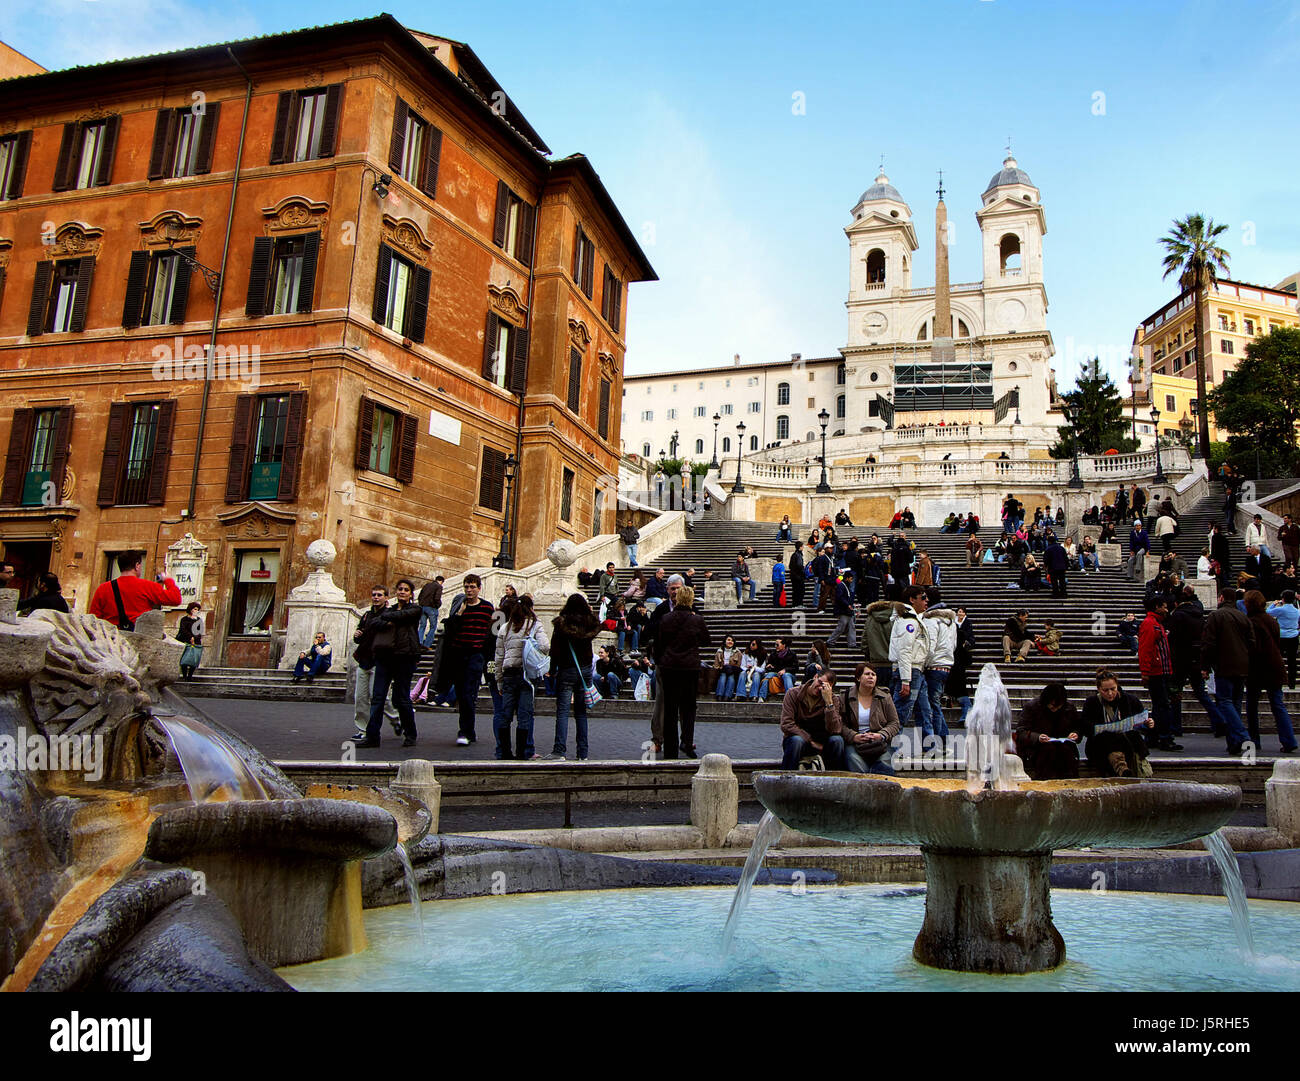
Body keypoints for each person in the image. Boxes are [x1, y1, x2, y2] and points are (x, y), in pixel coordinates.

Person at [358, 579, 422, 748]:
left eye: (405, 590)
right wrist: (389, 618)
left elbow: (400, 616)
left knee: (402, 698)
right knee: (377, 697)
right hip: (385, 657)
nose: (402, 592)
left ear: (410, 594)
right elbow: (374, 622)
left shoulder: (415, 609)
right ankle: (372, 736)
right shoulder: (391, 610)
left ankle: (410, 734)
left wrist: (388, 618)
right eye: (400, 589)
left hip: (404, 657)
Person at [654, 585, 710, 758]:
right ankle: (686, 742)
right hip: (689, 667)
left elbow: (659, 643)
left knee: (670, 708)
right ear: (691, 600)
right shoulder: (697, 620)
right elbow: (706, 641)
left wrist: (661, 661)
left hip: (670, 666)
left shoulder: (666, 618)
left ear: (677, 599)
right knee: (689, 707)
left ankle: (670, 750)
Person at [440, 574, 495, 746]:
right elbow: (450, 631)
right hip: (458, 654)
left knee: (468, 694)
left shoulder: (488, 608)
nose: (469, 590)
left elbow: (492, 633)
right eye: (466, 587)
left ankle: (464, 731)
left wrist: (489, 659)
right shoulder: (459, 606)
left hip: (476, 655)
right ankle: (469, 731)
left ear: (479, 588)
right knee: (462, 694)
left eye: (472, 587)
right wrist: (458, 615)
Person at [1201, 585, 1257, 754]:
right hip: (1242, 665)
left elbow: (1208, 643)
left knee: (1224, 701)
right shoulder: (1243, 617)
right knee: (1236, 703)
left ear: (1222, 598)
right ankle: (1234, 743)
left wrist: (1205, 665)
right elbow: (1252, 642)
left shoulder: (1216, 616)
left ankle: (1243, 736)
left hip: (1224, 665)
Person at [494, 594, 550, 760]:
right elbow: (545, 646)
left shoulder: (505, 627)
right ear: (530, 608)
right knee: (525, 715)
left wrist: (499, 681)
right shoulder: (534, 624)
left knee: (505, 714)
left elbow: (499, 657)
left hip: (509, 674)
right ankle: (521, 753)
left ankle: (504, 752)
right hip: (526, 675)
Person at [1243, 590, 1299, 753]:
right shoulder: (1271, 620)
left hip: (1257, 667)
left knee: (1252, 705)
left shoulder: (1251, 622)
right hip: (1275, 665)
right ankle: (1288, 739)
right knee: (1278, 704)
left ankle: (1254, 740)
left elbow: (1253, 647)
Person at [548, 593, 601, 761]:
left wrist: (552, 669)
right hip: (584, 669)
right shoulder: (589, 623)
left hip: (567, 668)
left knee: (563, 711)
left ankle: (559, 750)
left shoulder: (562, 623)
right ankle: (583, 753)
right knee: (581, 713)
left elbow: (554, 650)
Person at [1080, 668, 1154, 777]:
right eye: (1105, 690)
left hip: (1127, 742)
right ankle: (1121, 768)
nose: (1110, 693)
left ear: (1117, 686)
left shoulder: (1130, 700)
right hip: (1101, 745)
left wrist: (1149, 724)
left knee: (1119, 742)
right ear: (1098, 689)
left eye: (1113, 689)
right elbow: (1086, 727)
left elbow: (1142, 723)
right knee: (1109, 740)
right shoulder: (1092, 703)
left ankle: (1122, 768)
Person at [350, 585, 399, 741]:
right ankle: (363, 729)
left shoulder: (390, 614)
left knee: (379, 697)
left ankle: (396, 718)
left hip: (380, 661)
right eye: (374, 595)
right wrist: (357, 635)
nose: (376, 597)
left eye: (379, 595)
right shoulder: (367, 615)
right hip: (364, 659)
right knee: (360, 698)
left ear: (386, 597)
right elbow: (359, 636)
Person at [88, 552, 182, 629]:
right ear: (137, 566)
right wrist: (168, 580)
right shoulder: (148, 586)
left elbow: (93, 618)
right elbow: (175, 599)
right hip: (139, 636)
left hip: (112, 639)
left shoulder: (103, 588)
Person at [779, 668, 847, 770]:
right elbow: (787, 724)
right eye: (819, 682)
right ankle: (785, 779)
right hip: (798, 740)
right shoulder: (792, 693)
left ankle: (834, 778)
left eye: (824, 686)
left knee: (837, 740)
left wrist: (829, 704)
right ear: (815, 677)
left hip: (822, 743)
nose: (820, 688)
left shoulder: (833, 700)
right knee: (797, 741)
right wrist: (810, 741)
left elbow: (835, 729)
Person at [1138, 598, 1182, 750]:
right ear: (1156, 607)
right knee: (1163, 705)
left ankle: (1153, 736)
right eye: (1164, 606)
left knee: (1159, 706)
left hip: (1161, 670)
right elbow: (1145, 648)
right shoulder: (1150, 623)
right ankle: (1164, 737)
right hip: (1156, 671)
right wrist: (1145, 671)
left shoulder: (1157, 623)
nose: (1166, 609)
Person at [889, 585, 933, 735]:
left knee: (925, 711)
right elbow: (905, 650)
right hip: (910, 670)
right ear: (912, 600)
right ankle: (891, 748)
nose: (927, 601)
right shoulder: (908, 621)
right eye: (923, 598)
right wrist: (905, 679)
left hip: (917, 670)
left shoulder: (914, 619)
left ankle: (930, 746)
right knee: (901, 712)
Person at [1014, 683, 1081, 780]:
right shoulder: (1032, 707)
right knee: (1048, 750)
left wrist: (1075, 734)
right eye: (1053, 706)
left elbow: (1077, 727)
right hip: (1039, 748)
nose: (1056, 709)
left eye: (1059, 706)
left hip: (1063, 745)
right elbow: (1021, 732)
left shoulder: (1069, 708)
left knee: (1066, 753)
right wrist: (1037, 737)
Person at [841, 664, 900, 775]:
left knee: (885, 764)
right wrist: (853, 736)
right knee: (855, 763)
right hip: (855, 742)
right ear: (858, 678)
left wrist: (881, 735)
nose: (871, 677)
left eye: (873, 674)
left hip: (879, 742)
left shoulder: (884, 697)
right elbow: (841, 724)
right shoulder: (846, 696)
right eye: (867, 674)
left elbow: (894, 723)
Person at [919, 589, 955, 748]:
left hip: (933, 665)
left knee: (932, 704)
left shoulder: (931, 621)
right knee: (935, 703)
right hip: (946, 665)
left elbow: (929, 644)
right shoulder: (950, 621)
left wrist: (923, 663)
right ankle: (943, 737)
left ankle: (941, 739)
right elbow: (953, 645)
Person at [1268, 590, 1299, 689]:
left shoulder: (1281, 610)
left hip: (1281, 635)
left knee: (1278, 659)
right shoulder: (1297, 611)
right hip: (1293, 635)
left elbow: (1267, 612)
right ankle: (1292, 682)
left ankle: (1277, 680)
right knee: (1292, 660)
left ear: (1283, 599)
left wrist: (1274, 604)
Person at [824, 571, 858, 649]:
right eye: (851, 579)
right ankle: (830, 641)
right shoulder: (841, 586)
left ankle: (852, 643)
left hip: (847, 610)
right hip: (843, 610)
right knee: (842, 627)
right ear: (847, 578)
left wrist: (851, 605)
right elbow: (840, 597)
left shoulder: (845, 586)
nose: (851, 580)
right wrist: (848, 605)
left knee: (851, 627)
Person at [176, 601, 204, 680]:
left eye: (197, 609)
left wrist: (195, 638)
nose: (196, 611)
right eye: (195, 609)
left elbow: (200, 631)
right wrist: (190, 637)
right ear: (190, 609)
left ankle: (190, 676)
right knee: (184, 658)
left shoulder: (199, 620)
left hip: (196, 641)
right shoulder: (184, 619)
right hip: (185, 640)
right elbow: (183, 629)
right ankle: (184, 675)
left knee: (194, 659)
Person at [713, 635, 744, 701]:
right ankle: (719, 695)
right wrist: (722, 668)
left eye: (732, 641)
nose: (730, 642)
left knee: (731, 677)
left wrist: (731, 668)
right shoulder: (719, 652)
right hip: (722, 670)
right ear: (725, 641)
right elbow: (716, 665)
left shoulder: (738, 652)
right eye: (729, 640)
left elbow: (739, 665)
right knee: (723, 676)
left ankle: (727, 696)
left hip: (733, 671)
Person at [417, 575, 443, 648]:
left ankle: (419, 642)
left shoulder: (427, 585)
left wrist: (421, 604)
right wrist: (438, 605)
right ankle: (427, 644)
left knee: (422, 626)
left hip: (422, 607)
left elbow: (420, 596)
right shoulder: (439, 586)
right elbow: (437, 598)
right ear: (441, 581)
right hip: (431, 608)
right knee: (433, 627)